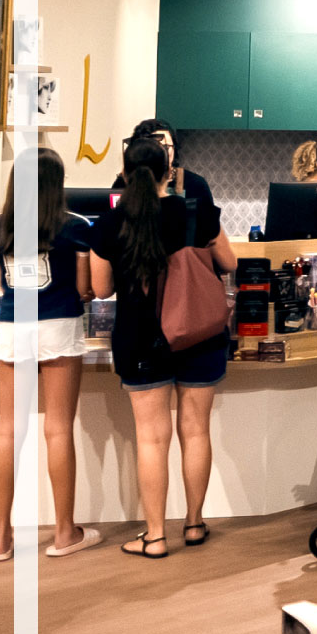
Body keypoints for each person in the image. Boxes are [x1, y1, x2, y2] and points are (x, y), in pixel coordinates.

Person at [89, 137, 237, 559]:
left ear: (124, 172)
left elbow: (101, 288)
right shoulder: (197, 211)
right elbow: (230, 263)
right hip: (199, 332)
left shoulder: (109, 223)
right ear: (168, 171)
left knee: (152, 440)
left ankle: (154, 536)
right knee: (195, 431)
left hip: (141, 338)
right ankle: (193, 523)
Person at [0, 148, 101, 562]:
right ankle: (64, 533)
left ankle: (0, 539)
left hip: (13, 329)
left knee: (8, 432)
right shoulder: (77, 227)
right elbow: (86, 290)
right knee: (58, 430)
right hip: (60, 326)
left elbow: (2, 285)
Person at [114, 119, 215, 207]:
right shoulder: (123, 183)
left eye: (166, 147)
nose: (161, 153)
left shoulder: (195, 184)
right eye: (156, 147)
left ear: (174, 149)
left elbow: (210, 227)